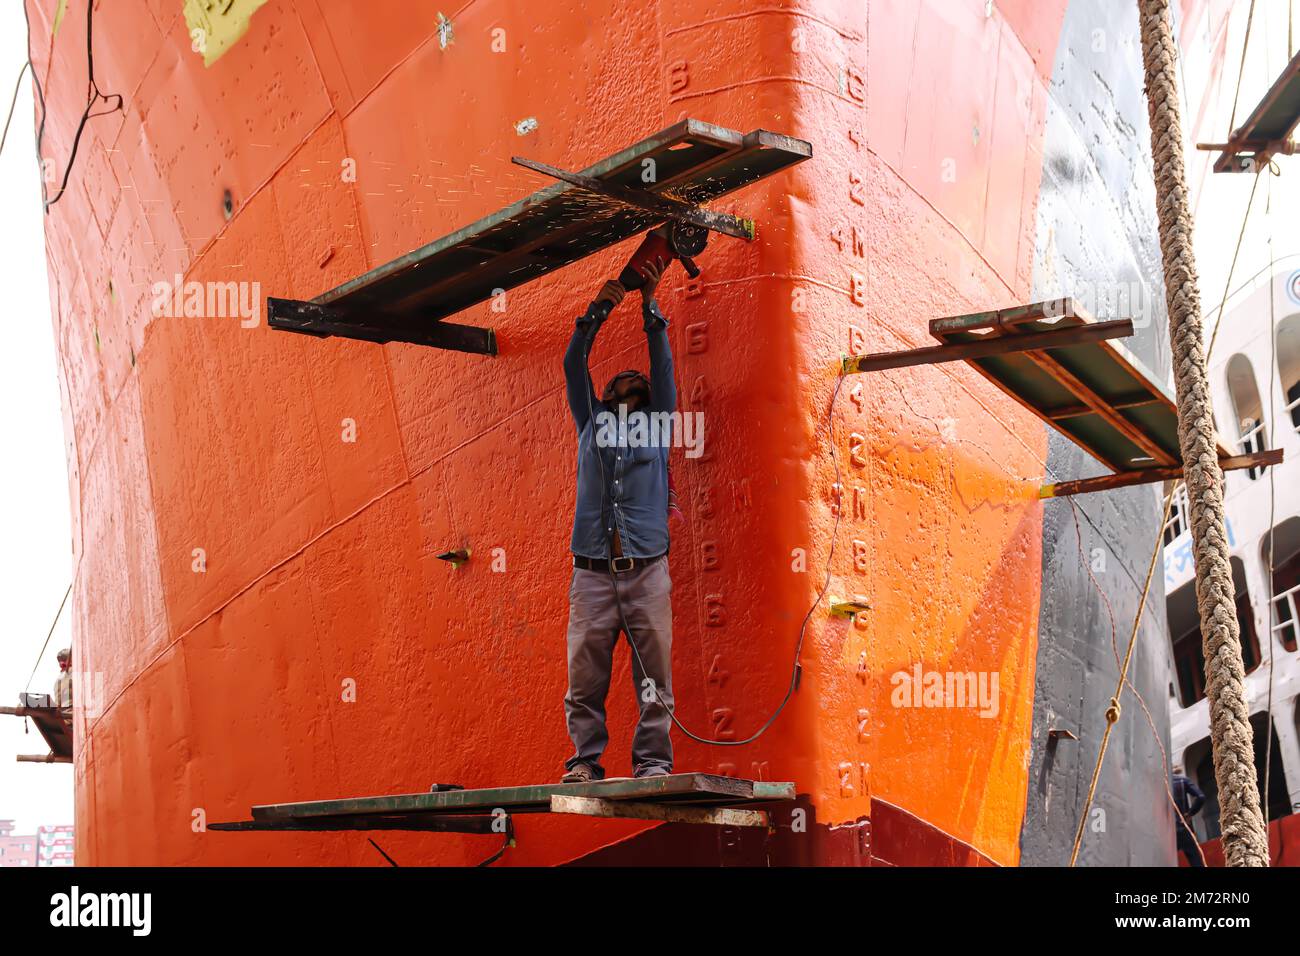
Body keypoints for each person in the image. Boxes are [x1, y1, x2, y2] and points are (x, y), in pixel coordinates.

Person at [560, 257, 676, 783]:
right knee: (585, 675)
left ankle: (652, 762)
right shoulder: (590, 420)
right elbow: (572, 364)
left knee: (654, 676)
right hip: (591, 573)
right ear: (605, 397)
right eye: (620, 380)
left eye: (638, 380)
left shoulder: (660, 425)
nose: (631, 379)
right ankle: (585, 761)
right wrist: (599, 310)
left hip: (647, 570)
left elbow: (664, 367)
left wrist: (650, 307)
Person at [1172, 767, 1206, 867]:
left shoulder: (1158, 785)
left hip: (1167, 833)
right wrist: (1190, 813)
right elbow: (1201, 797)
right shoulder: (1182, 780)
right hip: (1184, 828)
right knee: (1195, 861)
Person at [53, 648, 73, 719]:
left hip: (63, 720)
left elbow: (57, 705)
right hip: (73, 718)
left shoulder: (57, 680)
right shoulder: (75, 673)